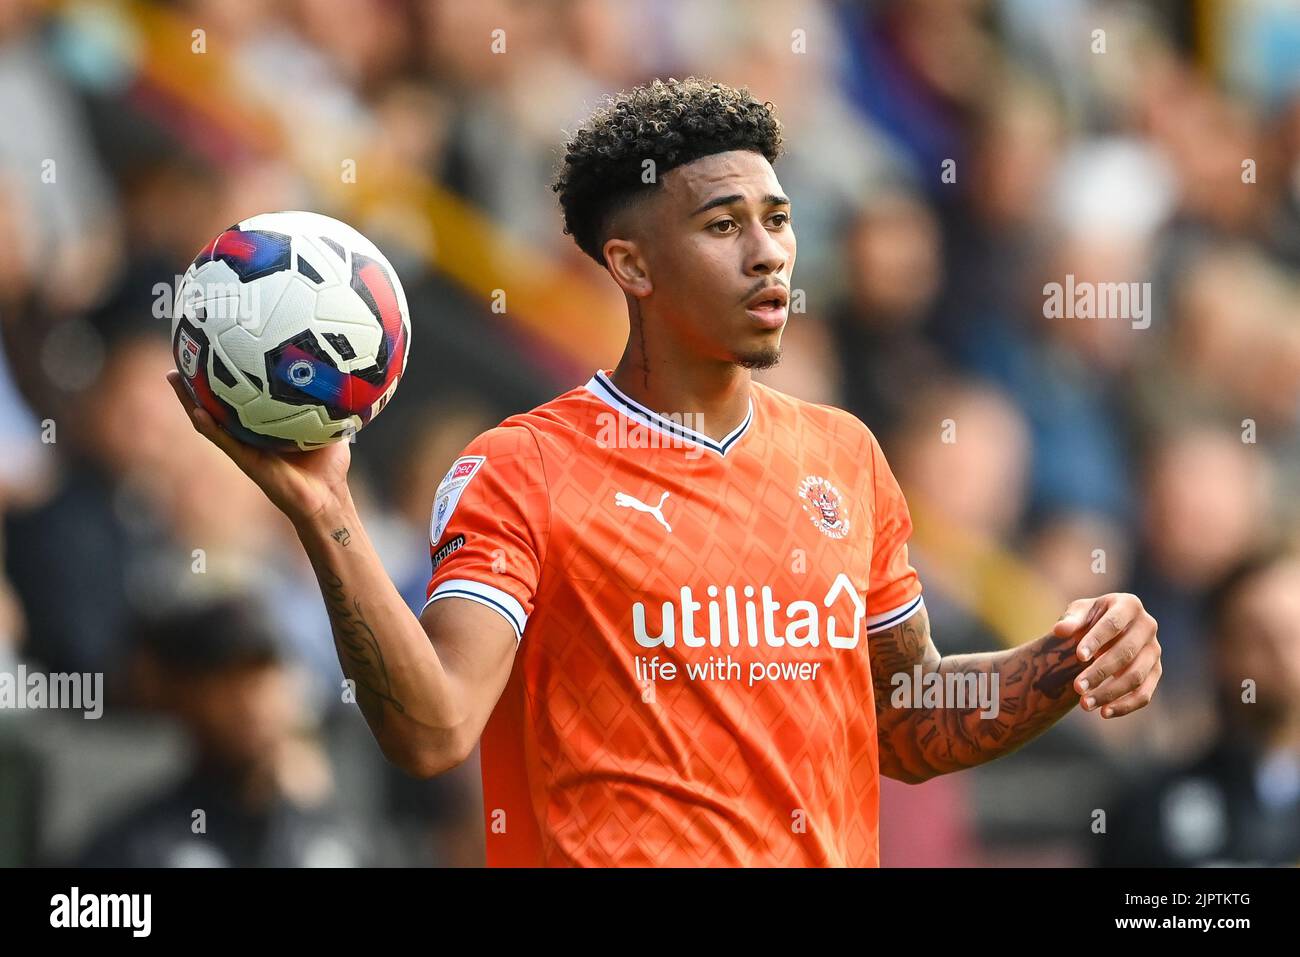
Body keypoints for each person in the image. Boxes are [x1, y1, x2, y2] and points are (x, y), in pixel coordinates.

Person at [165, 77, 1162, 867]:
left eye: (778, 219)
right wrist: (325, 509)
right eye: (724, 227)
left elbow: (903, 718)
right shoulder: (525, 468)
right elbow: (433, 732)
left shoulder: (844, 456)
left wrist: (1062, 664)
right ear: (632, 265)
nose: (770, 254)